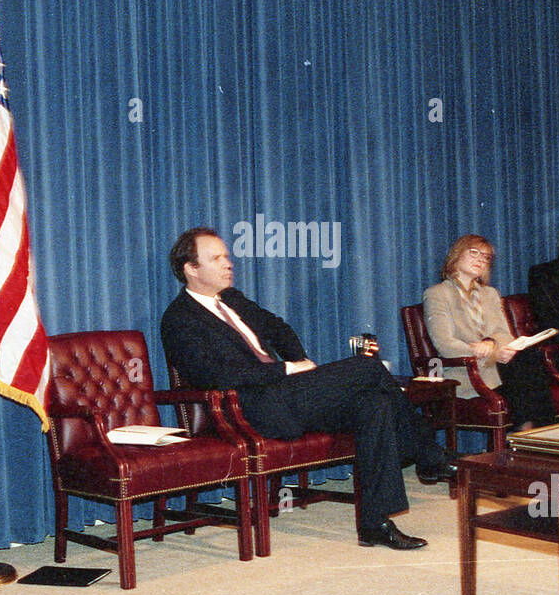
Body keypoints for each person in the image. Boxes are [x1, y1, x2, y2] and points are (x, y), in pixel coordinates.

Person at [160, 227, 456, 550]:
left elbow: (278, 328)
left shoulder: (232, 299)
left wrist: (300, 362)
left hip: (287, 394)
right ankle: (428, 455)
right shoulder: (179, 319)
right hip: (251, 408)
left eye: (227, 256)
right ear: (191, 268)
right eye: (216, 258)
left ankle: (375, 523)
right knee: (369, 367)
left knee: (374, 404)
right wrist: (285, 369)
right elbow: (215, 374)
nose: (228, 263)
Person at [423, 235, 556, 430]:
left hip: (500, 367)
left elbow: (503, 334)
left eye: (485, 257)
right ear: (456, 256)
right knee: (524, 372)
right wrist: (491, 353)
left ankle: (535, 437)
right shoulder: (437, 294)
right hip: (468, 369)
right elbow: (445, 344)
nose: (480, 259)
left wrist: (493, 345)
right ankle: (531, 437)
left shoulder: (490, 294)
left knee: (528, 358)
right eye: (474, 253)